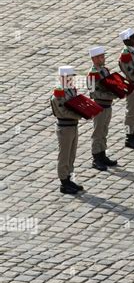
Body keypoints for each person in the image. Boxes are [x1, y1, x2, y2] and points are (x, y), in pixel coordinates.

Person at [50, 66, 84, 194]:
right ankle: (64, 182)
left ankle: (69, 178)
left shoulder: (71, 90)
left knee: (71, 154)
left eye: (71, 77)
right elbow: (62, 112)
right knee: (64, 156)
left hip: (73, 125)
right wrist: (81, 115)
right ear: (61, 78)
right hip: (65, 127)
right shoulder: (59, 93)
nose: (70, 80)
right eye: (67, 78)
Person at [87, 46, 118, 171]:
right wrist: (110, 95)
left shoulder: (104, 70)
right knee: (98, 132)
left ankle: (102, 154)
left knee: (104, 131)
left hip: (108, 105)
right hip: (99, 105)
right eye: (100, 57)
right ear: (94, 59)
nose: (102, 59)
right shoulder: (93, 74)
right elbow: (93, 93)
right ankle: (96, 158)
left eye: (103, 56)